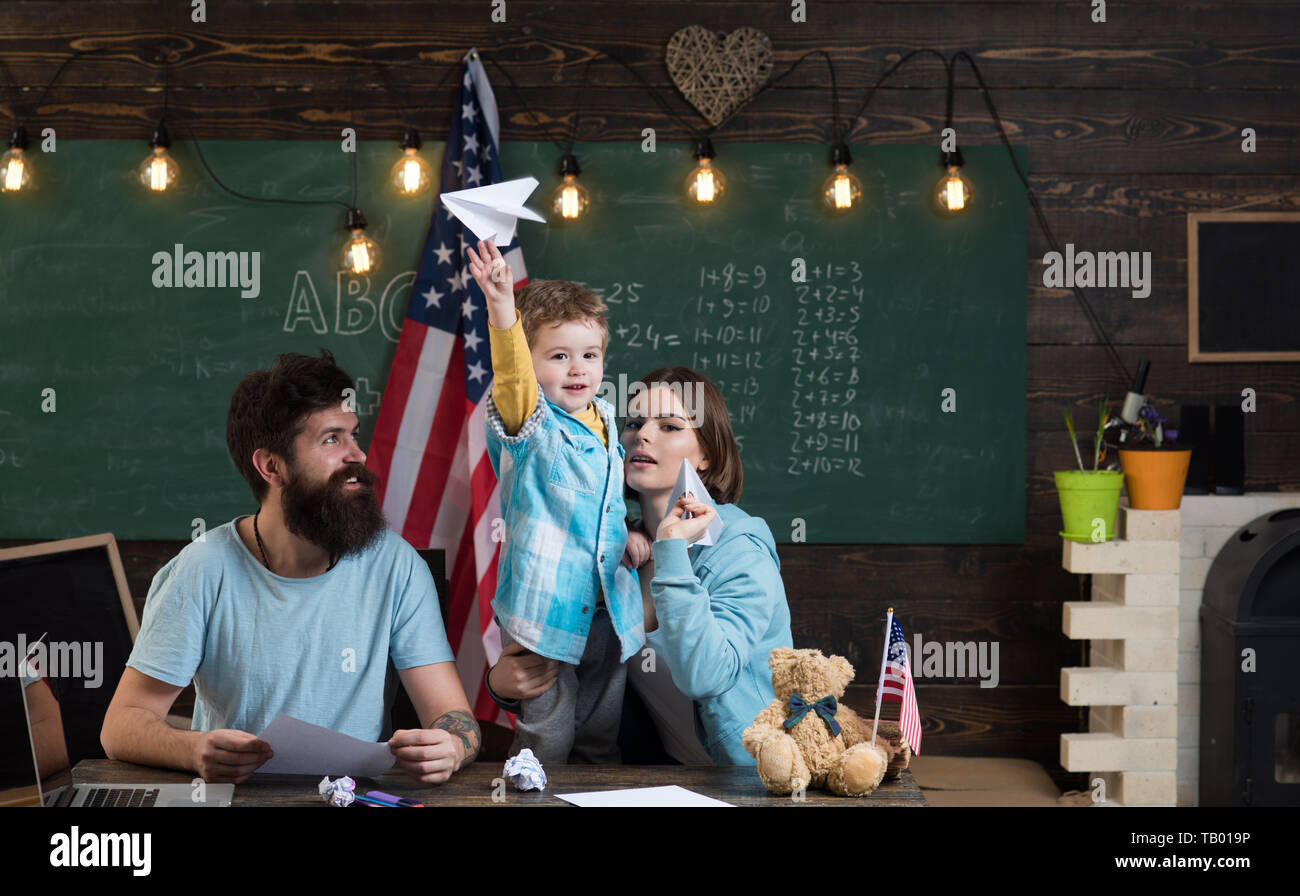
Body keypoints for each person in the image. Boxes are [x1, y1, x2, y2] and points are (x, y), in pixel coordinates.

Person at [100, 350, 479, 784]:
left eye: (354, 435)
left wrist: (452, 745)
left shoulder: (397, 565)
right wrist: (192, 749)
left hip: (353, 798)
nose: (357, 455)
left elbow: (453, 716)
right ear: (272, 467)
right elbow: (121, 725)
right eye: (332, 439)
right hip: (235, 798)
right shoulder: (202, 568)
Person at [489, 366, 793, 765]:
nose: (642, 435)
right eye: (633, 423)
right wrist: (503, 685)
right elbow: (567, 661)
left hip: (752, 780)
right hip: (655, 780)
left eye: (669, 426)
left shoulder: (737, 547)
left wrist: (670, 551)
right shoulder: (611, 551)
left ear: (706, 455)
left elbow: (706, 676)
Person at [466, 240, 647, 766]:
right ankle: (532, 791)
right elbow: (513, 375)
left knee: (599, 732)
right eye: (559, 355)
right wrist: (502, 307)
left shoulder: (609, 418)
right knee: (547, 734)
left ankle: (597, 796)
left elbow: (606, 500)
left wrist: (630, 532)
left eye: (589, 355)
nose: (578, 369)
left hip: (607, 608)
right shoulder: (531, 421)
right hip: (545, 610)